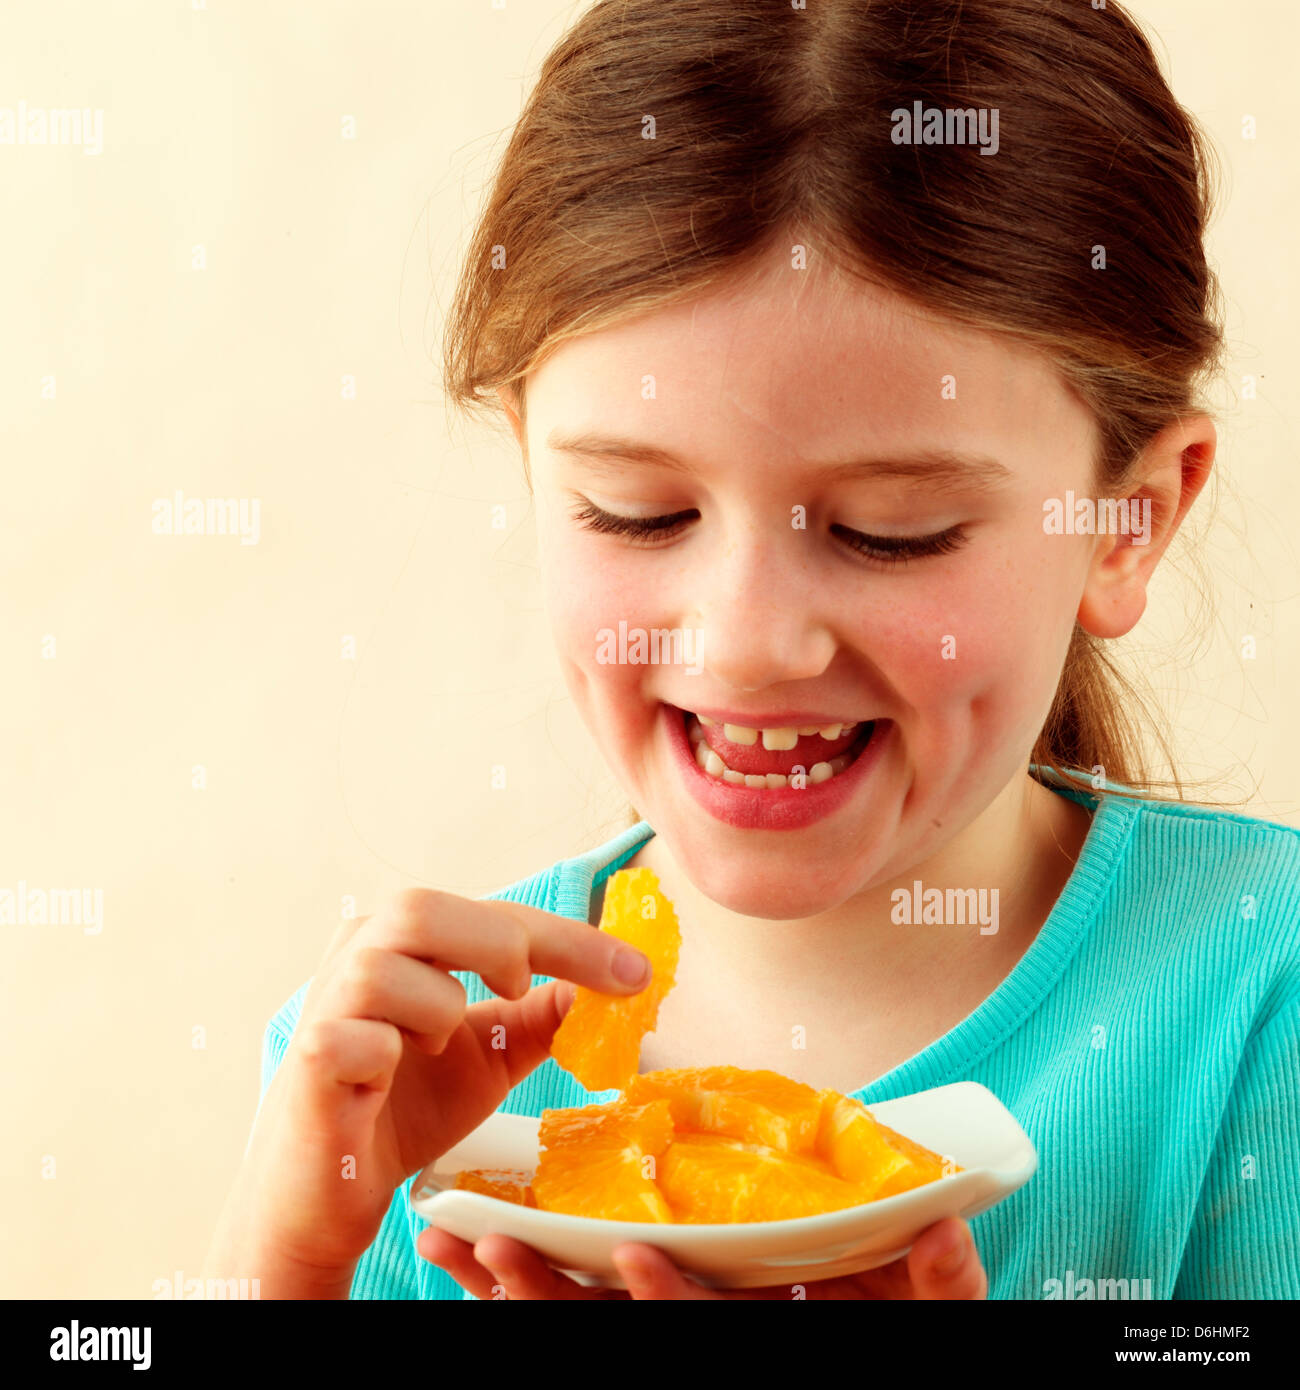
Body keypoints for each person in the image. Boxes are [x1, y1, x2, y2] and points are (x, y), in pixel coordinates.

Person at [204, 0, 1299, 1299]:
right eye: (639, 512)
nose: (745, 646)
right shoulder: (393, 1087)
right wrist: (284, 1266)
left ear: (1127, 522)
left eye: (894, 530)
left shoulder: (1256, 1001)